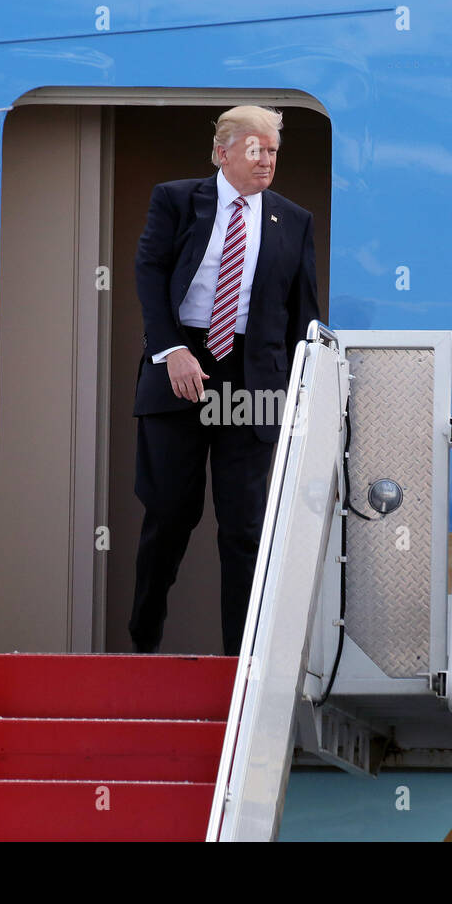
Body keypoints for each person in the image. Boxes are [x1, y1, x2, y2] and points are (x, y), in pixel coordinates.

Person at [129, 105, 320, 656]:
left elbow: (301, 314)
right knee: (170, 514)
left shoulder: (293, 219)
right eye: (257, 149)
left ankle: (240, 662)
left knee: (244, 526)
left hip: (251, 380)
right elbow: (150, 273)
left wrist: (299, 394)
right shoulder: (175, 199)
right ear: (223, 152)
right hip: (180, 366)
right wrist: (171, 351)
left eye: (274, 151)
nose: (267, 160)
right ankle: (143, 643)